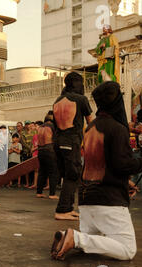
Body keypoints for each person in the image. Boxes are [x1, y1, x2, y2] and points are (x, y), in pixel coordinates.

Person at [51, 81, 142, 261]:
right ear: (117, 102)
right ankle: (76, 238)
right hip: (107, 199)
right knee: (127, 250)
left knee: (98, 242)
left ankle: (72, 238)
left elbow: (98, 163)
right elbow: (122, 164)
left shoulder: (90, 128)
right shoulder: (118, 128)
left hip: (86, 199)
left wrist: (124, 181)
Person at [52, 72, 93, 220]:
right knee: (73, 175)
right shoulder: (81, 99)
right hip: (71, 141)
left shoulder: (57, 100)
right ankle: (62, 210)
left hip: (57, 141)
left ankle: (68, 208)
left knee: (67, 175)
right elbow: (91, 123)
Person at [36, 115, 58, 200]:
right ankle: (52, 194)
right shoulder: (52, 126)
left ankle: (39, 192)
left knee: (42, 172)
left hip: (40, 150)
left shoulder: (40, 127)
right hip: (49, 149)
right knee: (53, 172)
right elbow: (55, 139)